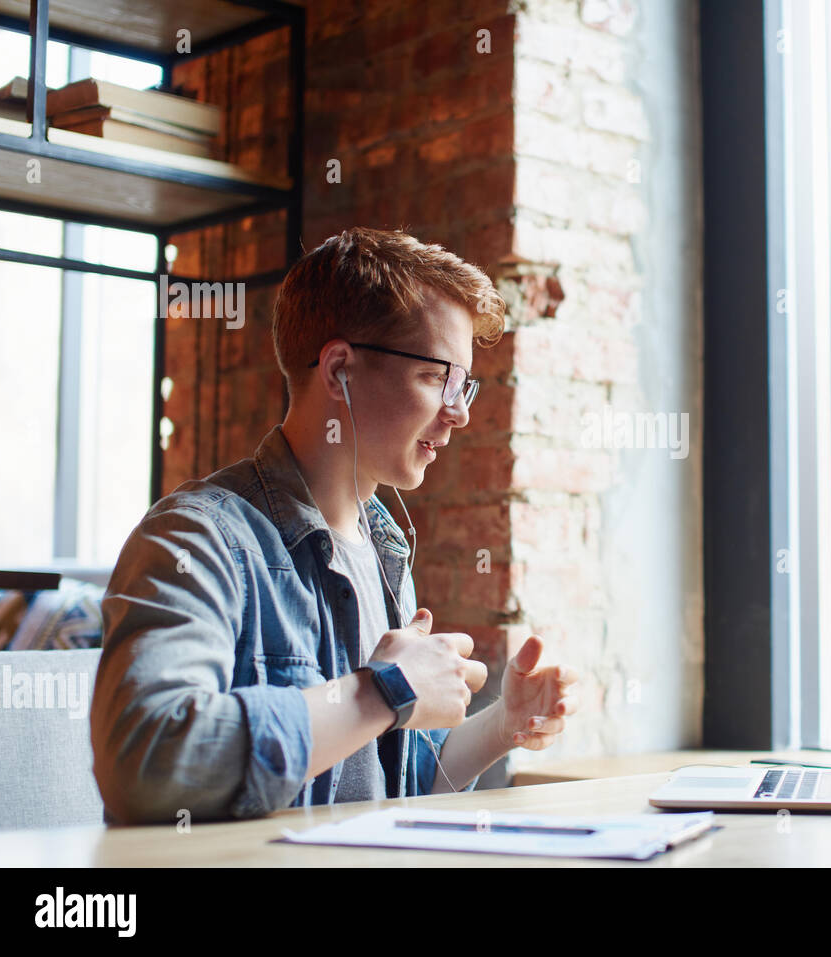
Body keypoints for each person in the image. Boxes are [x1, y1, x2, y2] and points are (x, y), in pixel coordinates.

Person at [91, 227, 578, 825]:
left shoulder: (384, 553)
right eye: (439, 378)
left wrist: (501, 726)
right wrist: (383, 691)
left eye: (465, 384)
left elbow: (389, 784)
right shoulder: (196, 539)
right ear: (340, 370)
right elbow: (148, 761)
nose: (462, 412)